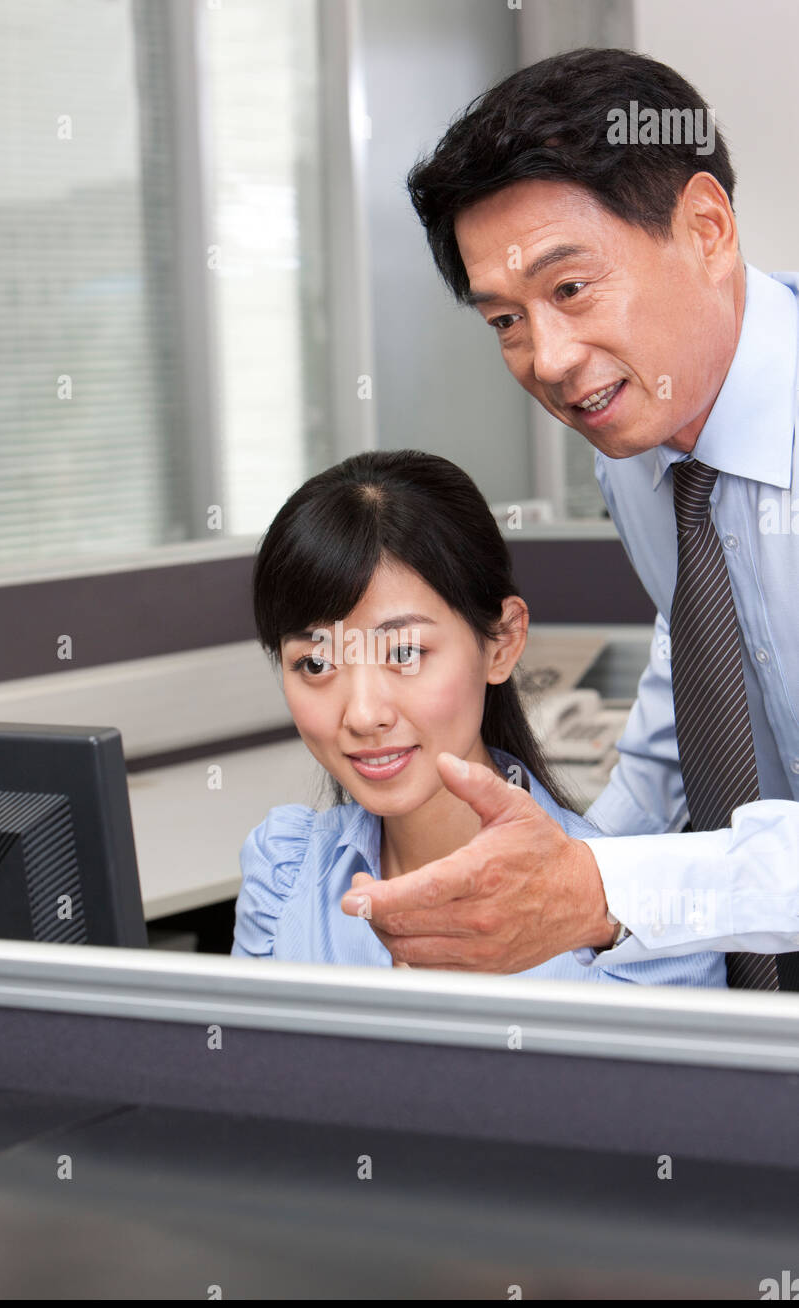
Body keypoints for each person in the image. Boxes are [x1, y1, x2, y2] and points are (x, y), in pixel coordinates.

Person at [337, 46, 799, 989]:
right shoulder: (638, 442)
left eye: (571, 289)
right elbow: (699, 653)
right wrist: (569, 865)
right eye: (505, 320)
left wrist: (601, 887)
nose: (547, 359)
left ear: (706, 230)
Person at [233, 448, 724, 988]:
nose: (364, 714)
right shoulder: (283, 879)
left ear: (502, 642)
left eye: (405, 653)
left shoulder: (639, 930)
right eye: (316, 663)